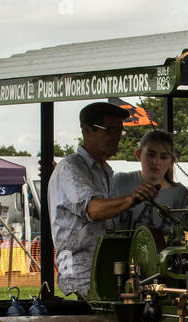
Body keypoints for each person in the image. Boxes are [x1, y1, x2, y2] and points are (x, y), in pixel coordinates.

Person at [47, 102, 157, 299]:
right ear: (87, 130)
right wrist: (132, 199)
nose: (116, 137)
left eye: (119, 132)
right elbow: (93, 210)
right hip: (79, 273)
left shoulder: (106, 171)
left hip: (105, 266)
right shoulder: (71, 167)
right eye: (110, 130)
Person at [117, 129, 188, 243]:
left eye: (164, 157)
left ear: (172, 160)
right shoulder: (120, 181)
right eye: (151, 155)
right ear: (138, 154)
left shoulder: (180, 194)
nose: (156, 162)